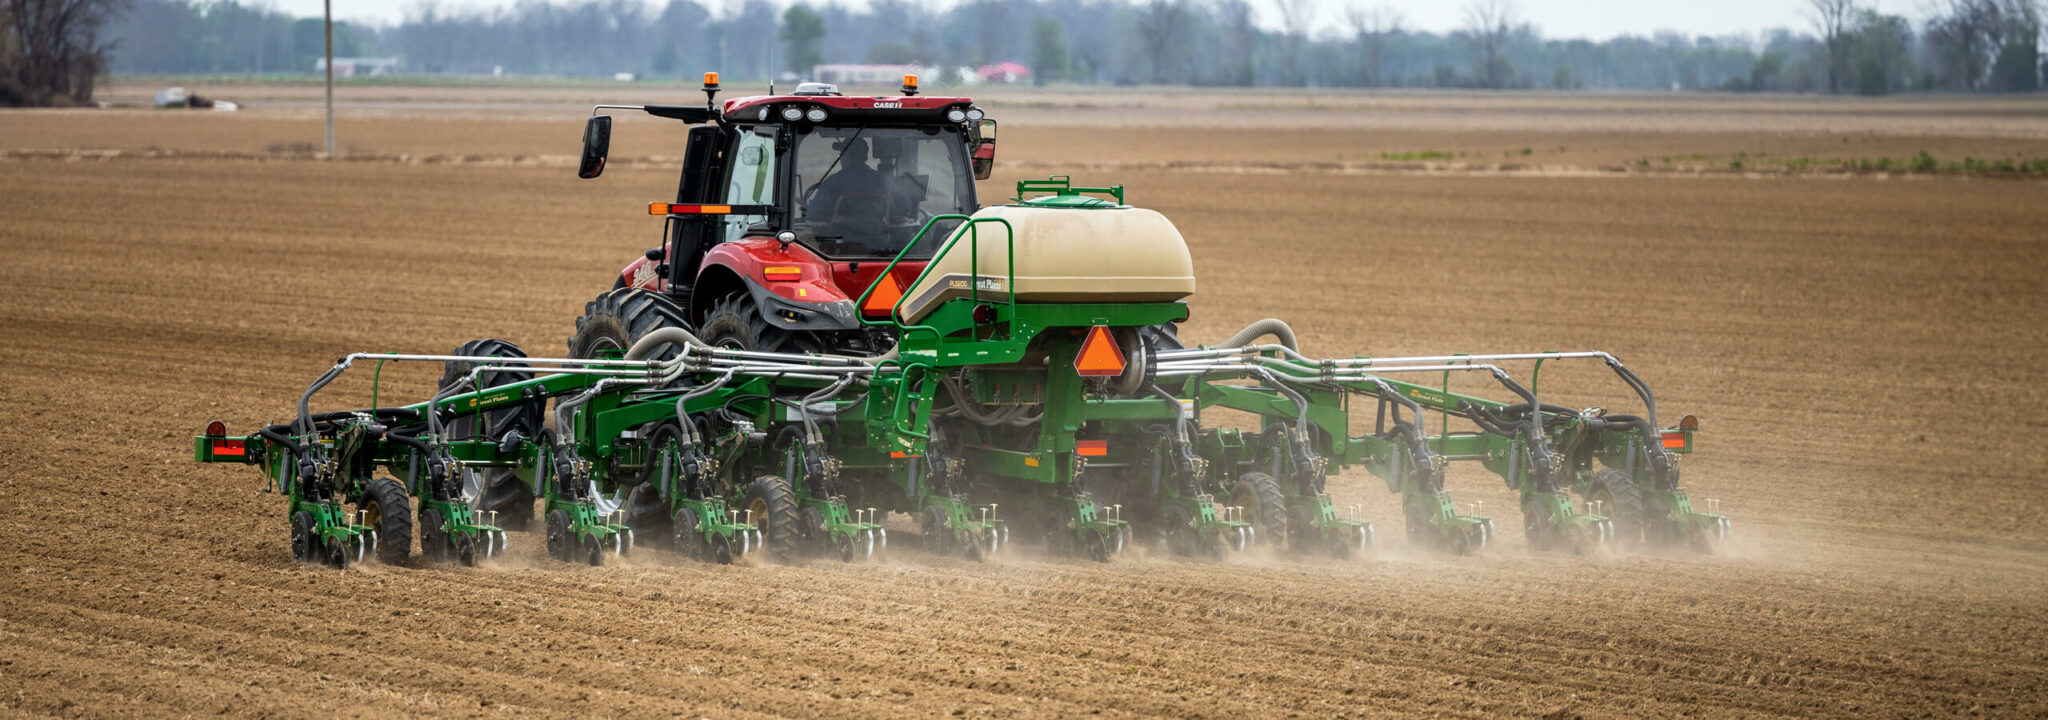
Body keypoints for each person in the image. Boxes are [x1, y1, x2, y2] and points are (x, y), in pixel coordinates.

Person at [803, 138, 889, 231]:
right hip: (878, 240)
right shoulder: (883, 180)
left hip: (840, 242)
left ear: (847, 156)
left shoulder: (832, 182)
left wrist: (808, 208)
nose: (840, 159)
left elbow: (814, 215)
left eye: (840, 155)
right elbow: (903, 207)